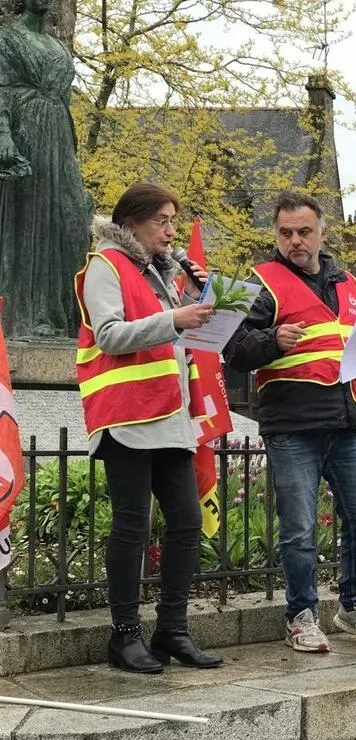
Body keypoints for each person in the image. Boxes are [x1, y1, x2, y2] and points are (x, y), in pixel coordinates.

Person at [223, 191, 356, 652]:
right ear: (276, 234)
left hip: (347, 423)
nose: (295, 240)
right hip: (292, 426)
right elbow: (233, 349)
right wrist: (273, 339)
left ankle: (353, 608)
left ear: (322, 232)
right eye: (285, 233)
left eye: (304, 231)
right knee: (298, 532)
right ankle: (301, 616)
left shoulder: (350, 284)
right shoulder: (260, 282)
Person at [75, 183, 222, 673]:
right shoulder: (106, 264)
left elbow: (174, 339)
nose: (171, 230)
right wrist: (176, 318)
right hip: (128, 417)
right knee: (132, 525)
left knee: (186, 522)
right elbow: (109, 335)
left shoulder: (163, 274)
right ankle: (124, 635)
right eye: (162, 220)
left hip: (170, 416)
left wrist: (201, 304)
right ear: (131, 223)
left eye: (173, 220)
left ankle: (172, 630)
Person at [0, 0, 92, 338]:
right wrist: (3, 135)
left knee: (71, 220)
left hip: (59, 135)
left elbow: (64, 98)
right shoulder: (7, 38)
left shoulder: (57, 45)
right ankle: (30, 316)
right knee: (33, 220)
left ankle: (66, 314)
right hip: (27, 129)